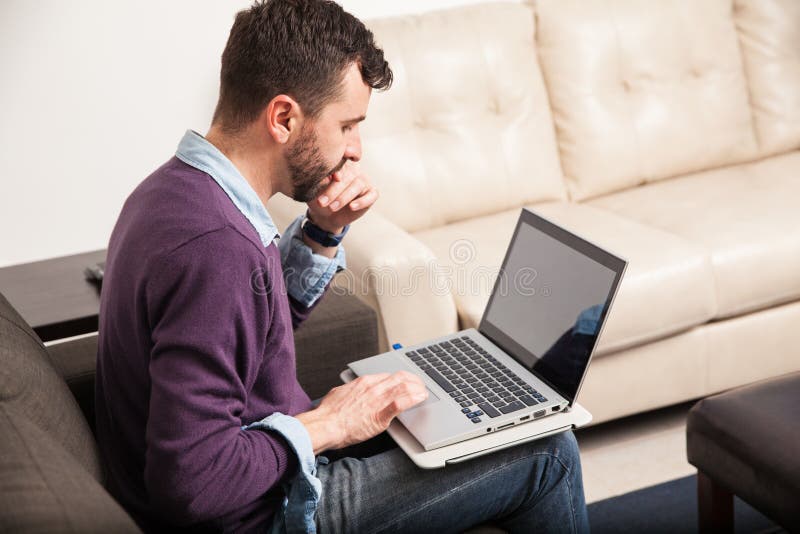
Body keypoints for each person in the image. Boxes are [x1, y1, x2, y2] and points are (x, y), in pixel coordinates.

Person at [95, 1, 590, 532]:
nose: (355, 151)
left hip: (262, 454)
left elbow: (247, 331)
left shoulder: (173, 191)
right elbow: (193, 485)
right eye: (348, 125)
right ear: (283, 118)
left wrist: (321, 232)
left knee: (442, 406)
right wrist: (328, 425)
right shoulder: (216, 246)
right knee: (548, 452)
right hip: (266, 512)